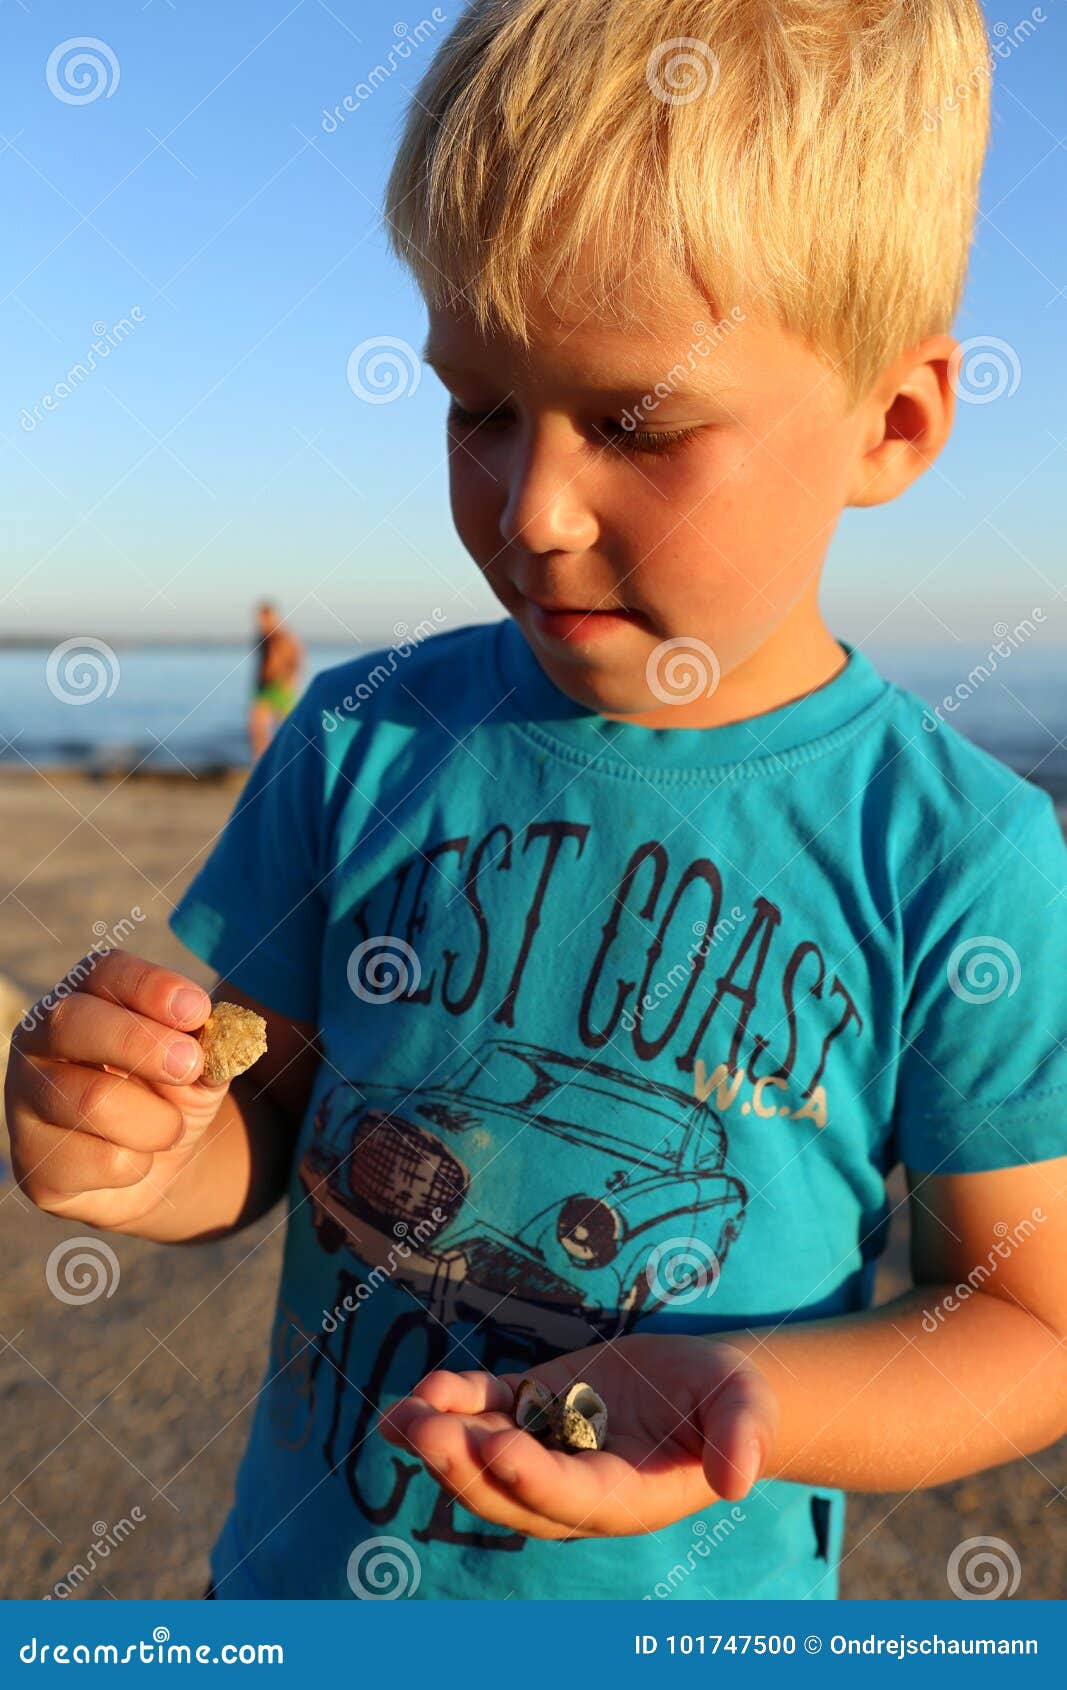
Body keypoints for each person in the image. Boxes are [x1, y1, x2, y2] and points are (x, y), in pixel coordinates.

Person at [7, 0, 1067, 1606]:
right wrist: (135, 1158)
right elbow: (265, 1128)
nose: (533, 507)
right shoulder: (359, 740)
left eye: (637, 421)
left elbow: (1024, 1322)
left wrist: (764, 1402)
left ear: (893, 420)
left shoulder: (957, 858)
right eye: (478, 409)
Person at [248, 599, 303, 760]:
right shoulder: (262, 637)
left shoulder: (284, 635)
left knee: (288, 729)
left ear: (273, 616)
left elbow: (297, 659)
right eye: (260, 618)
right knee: (257, 728)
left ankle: (290, 759)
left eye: (266, 618)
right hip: (263, 686)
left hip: (281, 686)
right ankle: (261, 761)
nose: (262, 622)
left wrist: (292, 681)